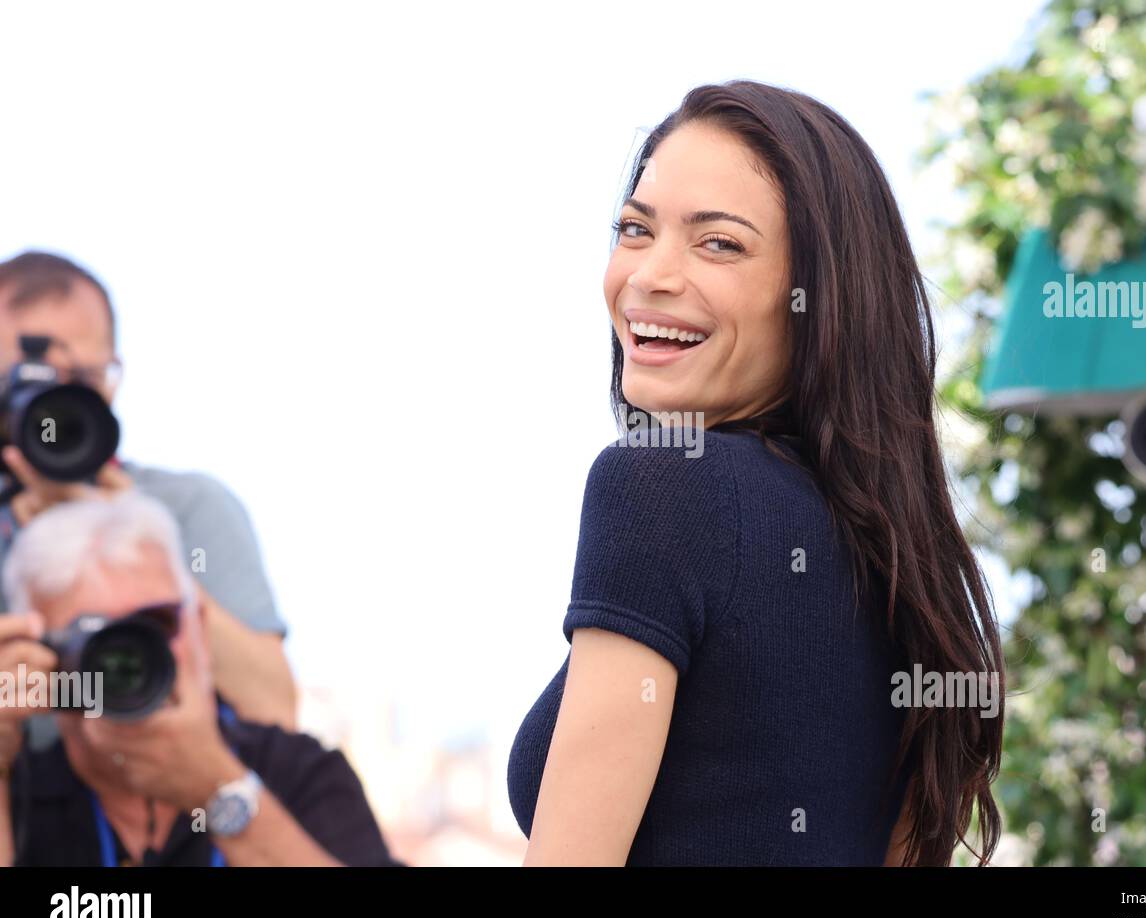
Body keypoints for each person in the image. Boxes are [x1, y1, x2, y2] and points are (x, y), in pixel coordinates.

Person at [507, 81, 1005, 866]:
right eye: (636, 229)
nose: (651, 275)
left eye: (720, 244)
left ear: (819, 297)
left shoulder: (660, 488)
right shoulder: (899, 560)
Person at [0, 492, 396, 866]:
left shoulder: (294, 771)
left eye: (156, 623)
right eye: (95, 639)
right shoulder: (20, 789)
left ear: (200, 630)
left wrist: (219, 790)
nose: (128, 659)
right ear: (38, 656)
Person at [0, 251, 294, 731]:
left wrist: (136, 542)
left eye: (80, 380)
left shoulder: (187, 510)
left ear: (113, 381)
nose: (47, 411)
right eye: (19, 384)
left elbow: (275, 709)